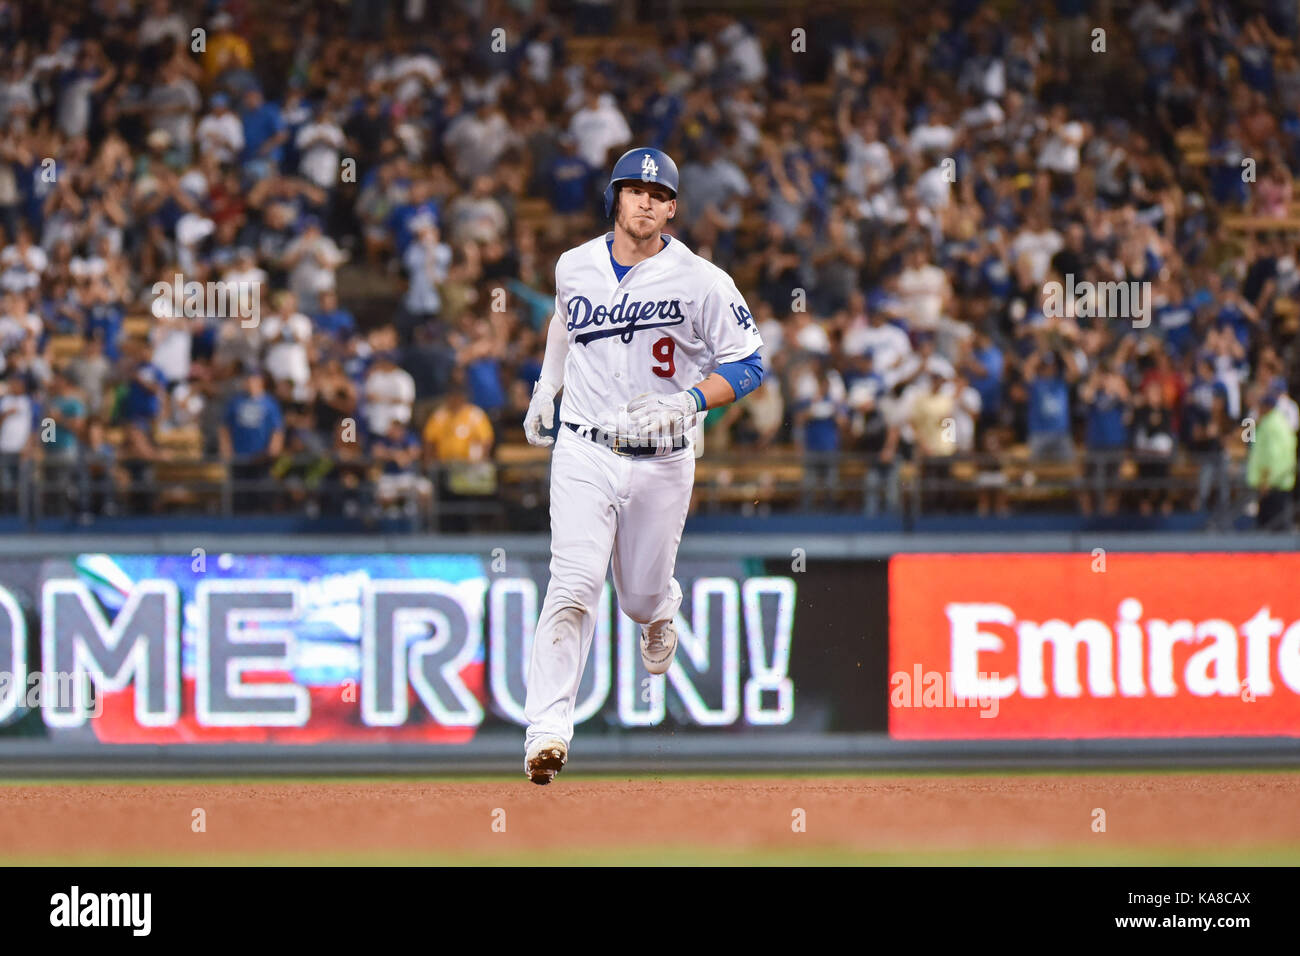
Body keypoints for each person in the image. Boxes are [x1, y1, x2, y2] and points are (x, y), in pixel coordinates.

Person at [519, 147, 764, 784]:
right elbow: (563, 325)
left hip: (662, 459)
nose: (646, 201)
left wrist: (688, 401)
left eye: (658, 194)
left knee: (638, 598)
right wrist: (547, 389)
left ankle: (660, 609)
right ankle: (547, 731)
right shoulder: (573, 265)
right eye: (635, 190)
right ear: (616, 198)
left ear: (672, 208)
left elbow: (750, 362)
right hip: (584, 448)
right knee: (572, 585)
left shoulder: (702, 279)